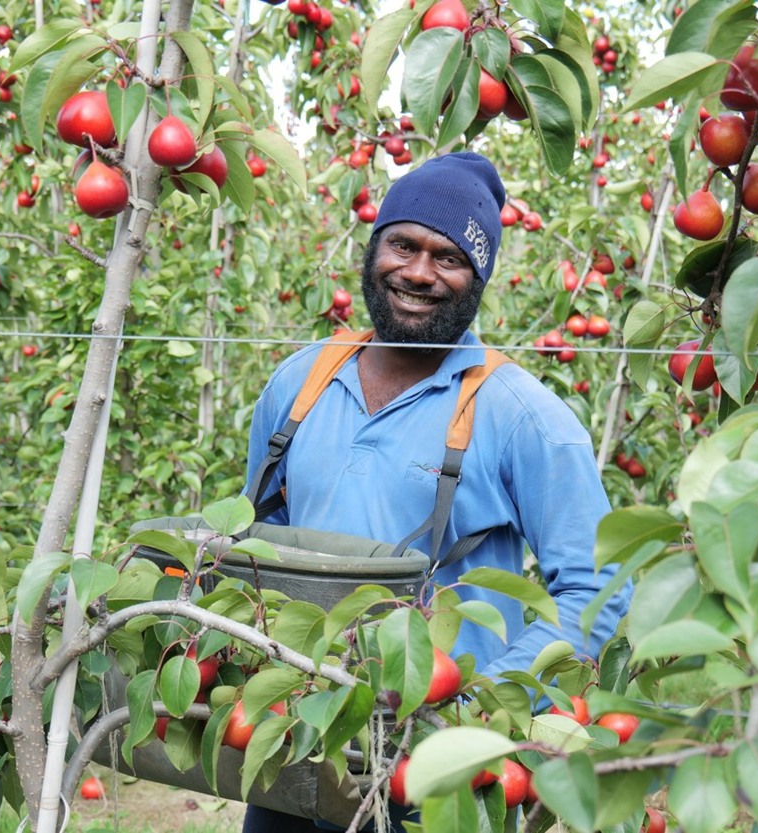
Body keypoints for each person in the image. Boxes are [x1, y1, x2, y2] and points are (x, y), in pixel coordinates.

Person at [242, 152, 630, 832]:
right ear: (374, 247)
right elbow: (256, 541)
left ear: (479, 277)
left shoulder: (520, 416)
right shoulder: (299, 382)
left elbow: (597, 588)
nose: (419, 272)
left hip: (437, 765)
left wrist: (486, 703)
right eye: (404, 244)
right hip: (300, 743)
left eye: (449, 258)